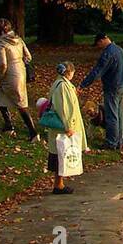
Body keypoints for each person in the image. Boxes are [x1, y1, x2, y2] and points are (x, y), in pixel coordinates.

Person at [0, 18, 38, 140]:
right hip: (20, 71)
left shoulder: (1, 43)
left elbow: (3, 64)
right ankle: (8, 126)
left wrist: (1, 76)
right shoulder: (19, 40)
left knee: (21, 104)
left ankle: (33, 133)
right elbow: (29, 56)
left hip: (10, 74)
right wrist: (20, 64)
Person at [80, 32, 123, 150]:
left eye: (98, 44)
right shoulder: (119, 50)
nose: (99, 47)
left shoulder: (107, 53)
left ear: (102, 40)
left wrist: (83, 84)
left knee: (111, 115)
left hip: (112, 87)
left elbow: (97, 71)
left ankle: (111, 142)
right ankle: (120, 141)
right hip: (122, 84)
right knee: (119, 114)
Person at [45, 62, 88, 194]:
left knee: (60, 154)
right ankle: (58, 184)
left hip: (59, 128)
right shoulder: (63, 87)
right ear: (69, 72)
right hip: (63, 128)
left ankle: (59, 183)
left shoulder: (58, 84)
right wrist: (69, 127)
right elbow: (65, 109)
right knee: (62, 154)